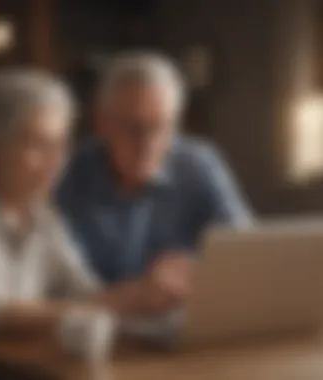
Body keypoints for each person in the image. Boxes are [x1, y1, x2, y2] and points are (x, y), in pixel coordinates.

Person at [0, 69, 155, 379]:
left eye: (60, 144)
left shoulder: (45, 217)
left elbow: (84, 292)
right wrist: (105, 305)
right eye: (36, 144)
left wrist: (147, 294)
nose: (55, 162)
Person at [57, 52, 253, 320]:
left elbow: (244, 250)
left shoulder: (198, 165)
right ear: (102, 123)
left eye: (161, 127)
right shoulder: (67, 175)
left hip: (182, 320)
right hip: (97, 324)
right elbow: (59, 284)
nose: (147, 143)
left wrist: (192, 268)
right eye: (134, 127)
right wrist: (138, 292)